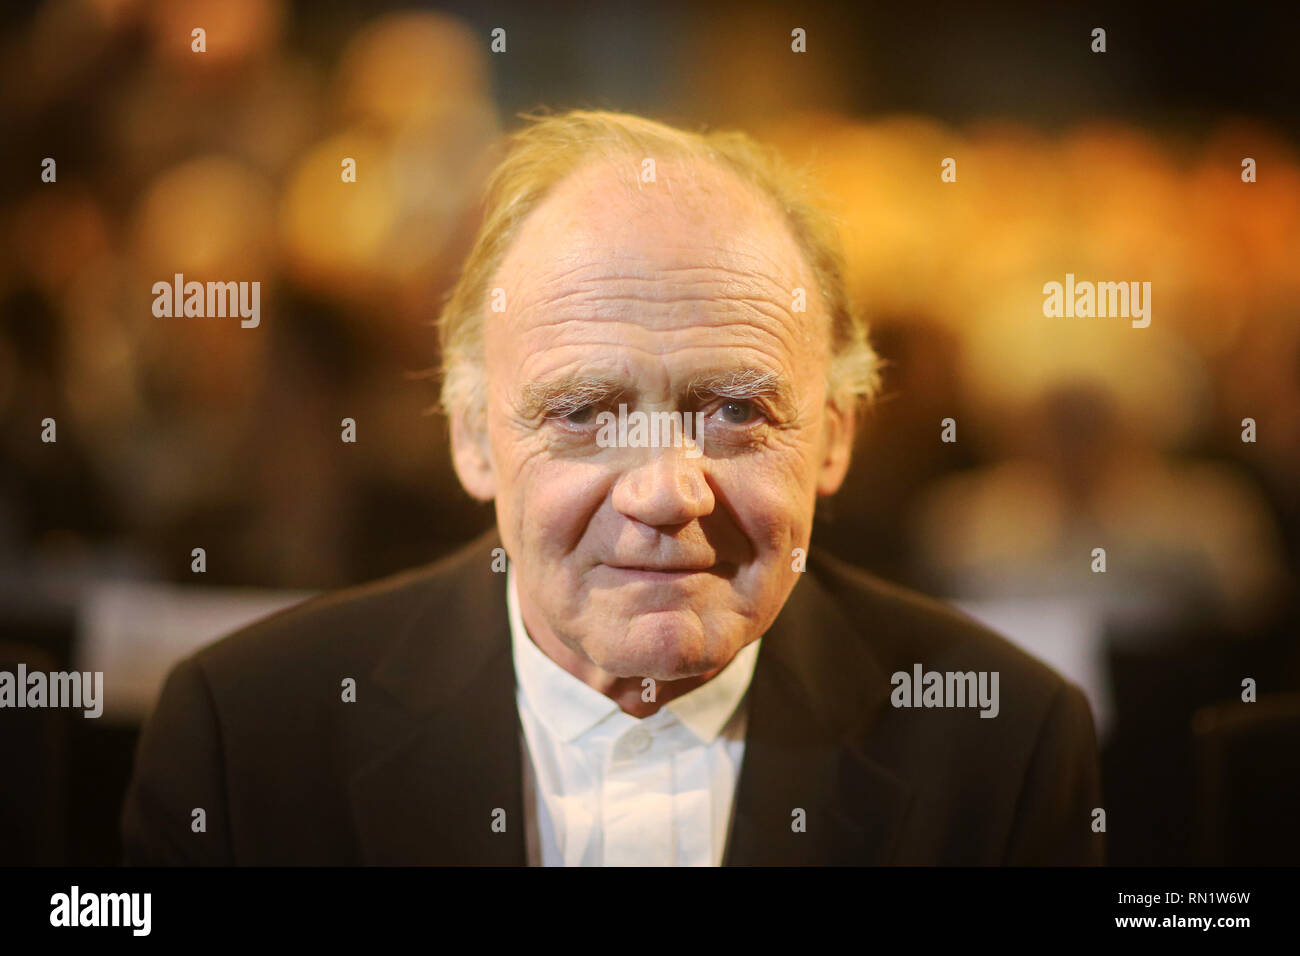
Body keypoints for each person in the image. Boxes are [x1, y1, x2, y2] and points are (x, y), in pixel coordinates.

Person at [122, 110, 1103, 866]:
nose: (667, 492)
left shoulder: (1000, 745)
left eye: (734, 410)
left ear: (835, 436)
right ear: (472, 437)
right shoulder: (245, 735)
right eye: (585, 414)